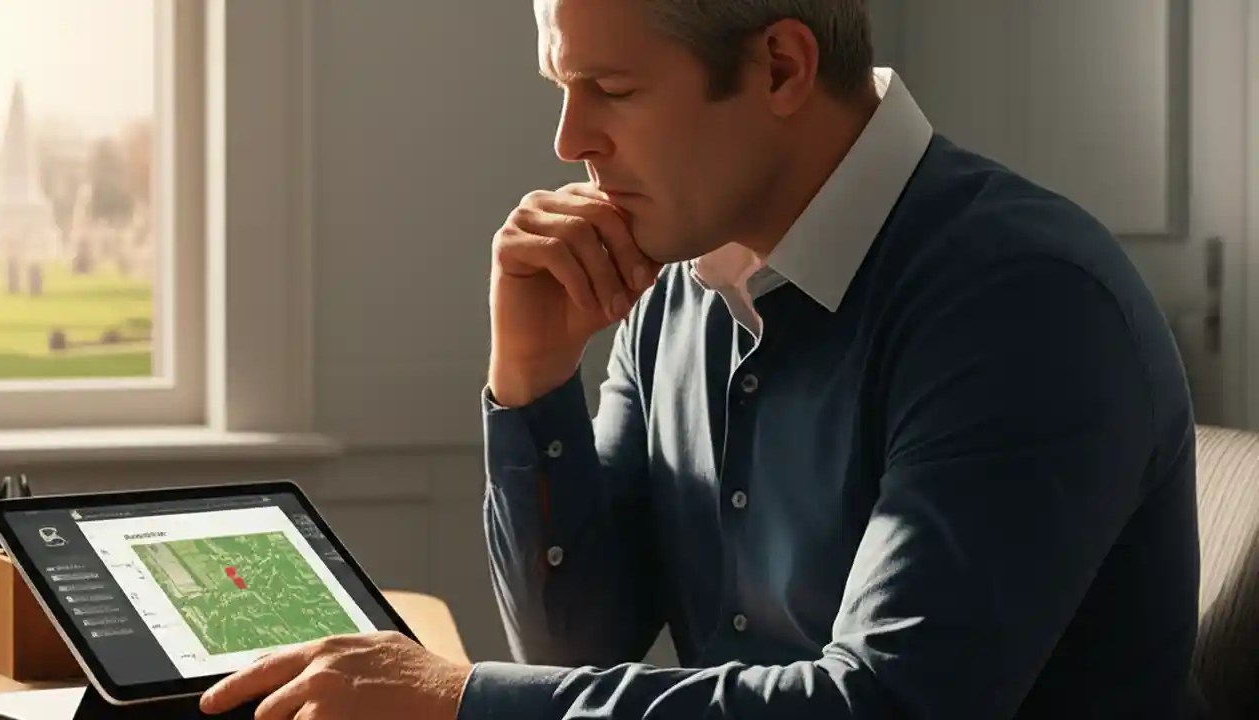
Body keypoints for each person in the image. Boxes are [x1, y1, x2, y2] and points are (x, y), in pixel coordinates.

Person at [199, 0, 1203, 717]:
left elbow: (890, 704)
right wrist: (531, 380)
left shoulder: (1022, 303)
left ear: (779, 67)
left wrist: (461, 704)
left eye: (610, 89)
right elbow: (578, 646)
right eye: (561, 85)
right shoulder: (681, 285)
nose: (566, 139)